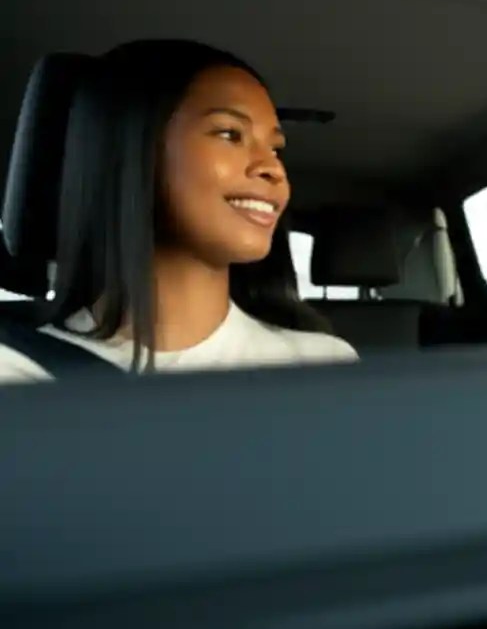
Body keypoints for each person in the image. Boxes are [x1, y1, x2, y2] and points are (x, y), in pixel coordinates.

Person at [0, 39, 357, 383]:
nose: (273, 169)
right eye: (230, 134)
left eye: (276, 149)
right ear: (133, 153)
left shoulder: (319, 366)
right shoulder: (17, 373)